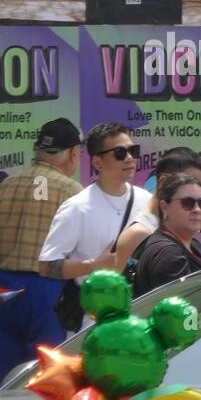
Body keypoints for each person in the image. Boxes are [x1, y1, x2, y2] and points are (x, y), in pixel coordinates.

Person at [0, 119, 83, 383]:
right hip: (47, 289)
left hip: (3, 286)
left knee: (9, 369)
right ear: (73, 154)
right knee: (49, 370)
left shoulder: (5, 186)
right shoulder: (73, 191)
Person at [38, 123, 139, 287]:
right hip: (93, 309)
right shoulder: (77, 207)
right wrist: (93, 265)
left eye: (134, 151)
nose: (130, 158)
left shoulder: (147, 201)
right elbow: (46, 266)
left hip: (142, 307)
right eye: (120, 153)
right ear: (98, 163)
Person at [114, 148, 201, 271]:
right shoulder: (138, 234)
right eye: (189, 183)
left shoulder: (181, 226)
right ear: (163, 182)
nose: (198, 191)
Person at [132, 174, 201, 296]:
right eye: (187, 202)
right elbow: (179, 309)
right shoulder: (167, 254)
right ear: (164, 207)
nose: (197, 209)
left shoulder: (193, 244)